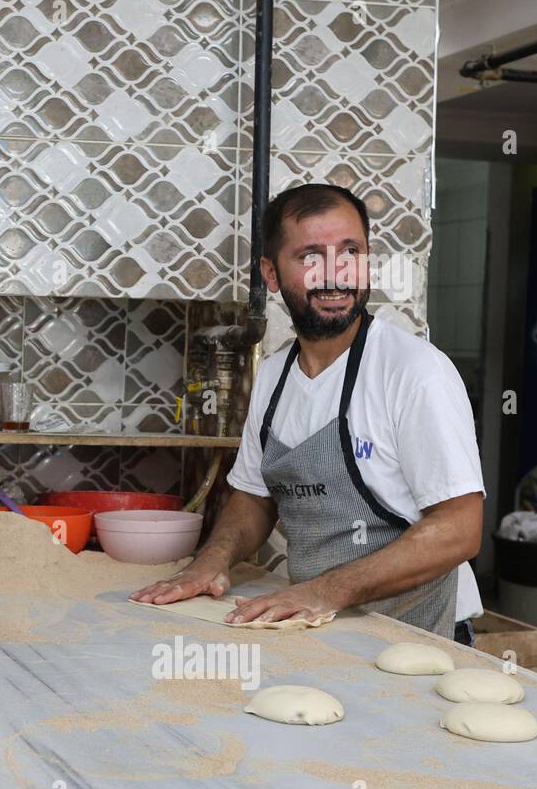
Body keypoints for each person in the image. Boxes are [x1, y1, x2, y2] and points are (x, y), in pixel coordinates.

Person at [132, 183, 484, 642]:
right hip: (326, 628)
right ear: (271, 273)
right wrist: (209, 563)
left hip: (418, 635)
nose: (334, 275)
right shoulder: (275, 375)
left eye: (350, 251)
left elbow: (459, 530)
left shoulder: (415, 372)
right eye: (310, 256)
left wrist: (324, 591)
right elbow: (255, 496)